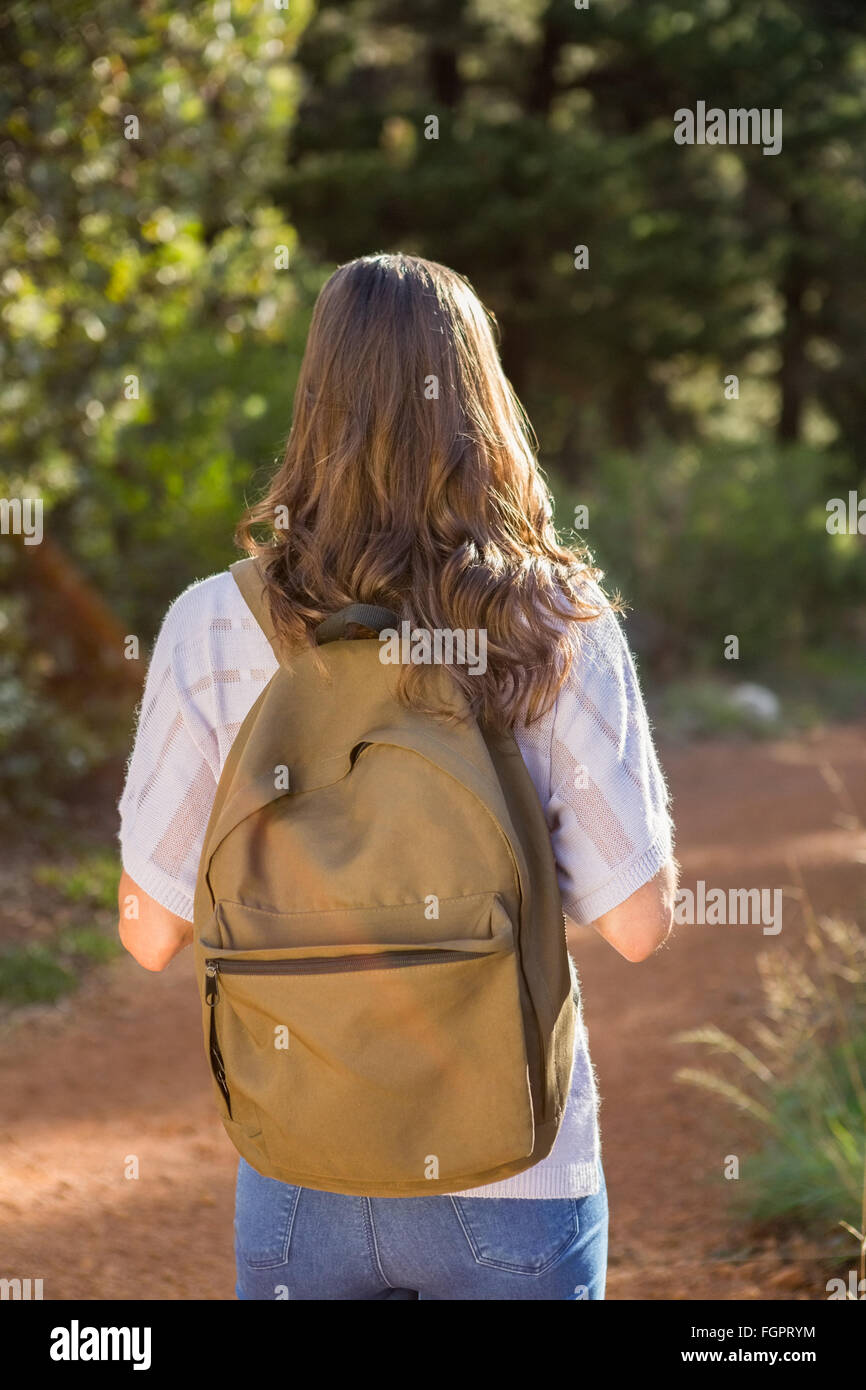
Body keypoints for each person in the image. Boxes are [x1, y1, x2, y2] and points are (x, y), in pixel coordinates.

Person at [117, 252, 676, 1301]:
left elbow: (148, 934)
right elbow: (639, 923)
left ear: (313, 401)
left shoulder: (209, 623)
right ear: (480, 401)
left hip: (295, 1178)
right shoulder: (553, 623)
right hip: (515, 1170)